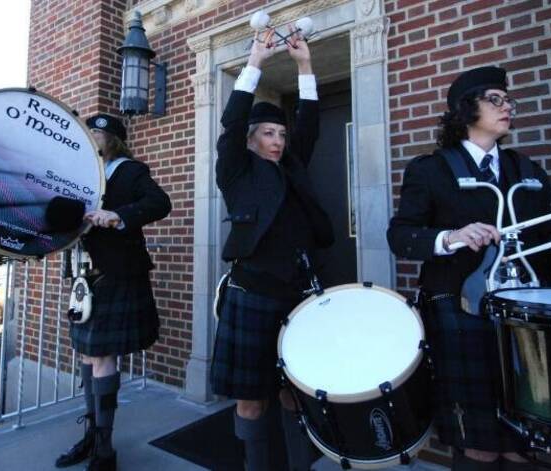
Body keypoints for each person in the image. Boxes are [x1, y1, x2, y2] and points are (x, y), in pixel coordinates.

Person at [387, 66, 551, 471]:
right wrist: (451, 237)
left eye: (508, 99)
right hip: (460, 313)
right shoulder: (431, 170)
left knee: (524, 442)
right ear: (466, 111)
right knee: (479, 444)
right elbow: (401, 237)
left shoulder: (529, 172)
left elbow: (544, 246)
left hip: (527, 314)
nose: (507, 106)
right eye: (495, 99)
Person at [210, 26, 334, 471]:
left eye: (281, 133)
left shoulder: (294, 164)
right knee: (251, 399)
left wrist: (304, 65)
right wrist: (255, 63)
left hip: (298, 294)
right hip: (252, 293)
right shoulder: (237, 171)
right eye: (267, 133)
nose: (278, 140)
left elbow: (311, 124)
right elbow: (230, 122)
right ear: (250, 139)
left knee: (294, 393)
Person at [55, 113, 171, 471]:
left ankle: (104, 449)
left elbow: (160, 204)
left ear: (115, 139)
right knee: (89, 356)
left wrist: (118, 216)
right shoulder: (81, 173)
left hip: (117, 273)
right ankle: (92, 436)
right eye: (88, 131)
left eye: (98, 132)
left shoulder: (131, 170)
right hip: (84, 277)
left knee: (102, 356)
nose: (92, 136)